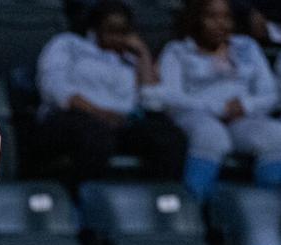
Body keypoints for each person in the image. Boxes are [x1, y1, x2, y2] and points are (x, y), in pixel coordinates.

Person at [36, 0, 187, 187]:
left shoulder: (131, 59)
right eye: (111, 29)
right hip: (74, 118)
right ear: (95, 27)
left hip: (122, 124)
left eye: (123, 31)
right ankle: (81, 202)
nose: (117, 36)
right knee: (96, 138)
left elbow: (153, 102)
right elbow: (55, 88)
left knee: (170, 138)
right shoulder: (68, 45)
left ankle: (156, 204)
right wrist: (98, 113)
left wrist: (143, 55)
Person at [155, 0, 281, 202]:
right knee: (213, 136)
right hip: (197, 116)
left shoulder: (247, 47)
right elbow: (169, 96)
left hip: (241, 118)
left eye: (226, 17)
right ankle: (195, 204)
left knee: (277, 135)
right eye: (212, 17)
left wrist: (245, 105)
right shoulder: (178, 50)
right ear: (197, 19)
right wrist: (217, 108)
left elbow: (270, 94)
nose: (221, 24)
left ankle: (268, 207)